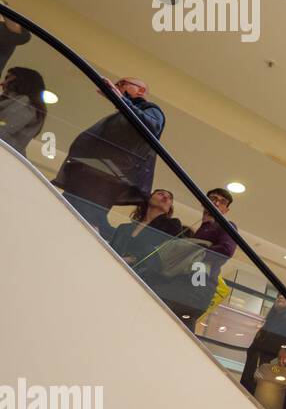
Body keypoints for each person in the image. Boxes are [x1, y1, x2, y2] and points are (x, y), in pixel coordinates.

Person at [53, 76, 165, 238]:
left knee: (85, 219)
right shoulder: (125, 113)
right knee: (66, 212)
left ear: (141, 90)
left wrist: (119, 99)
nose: (117, 87)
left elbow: (150, 126)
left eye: (122, 84)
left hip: (105, 175)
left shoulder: (152, 110)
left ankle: (110, 237)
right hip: (92, 172)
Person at [149, 187, 237, 331]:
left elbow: (226, 250)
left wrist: (195, 251)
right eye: (213, 198)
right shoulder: (202, 230)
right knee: (179, 326)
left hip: (199, 282)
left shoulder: (225, 225)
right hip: (187, 281)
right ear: (204, 201)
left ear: (226, 210)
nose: (216, 203)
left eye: (222, 202)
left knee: (153, 297)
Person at [107, 188, 184, 267]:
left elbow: (173, 252)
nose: (166, 197)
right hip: (112, 266)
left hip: (141, 272)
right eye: (161, 194)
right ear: (149, 199)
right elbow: (110, 249)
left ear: (169, 208)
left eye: (170, 198)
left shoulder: (173, 225)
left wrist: (134, 259)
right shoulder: (124, 228)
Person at [0, 66, 47, 153]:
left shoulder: (25, 104)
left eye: (8, 78)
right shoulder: (26, 105)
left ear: (21, 81)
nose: (2, 83)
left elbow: (3, 130)